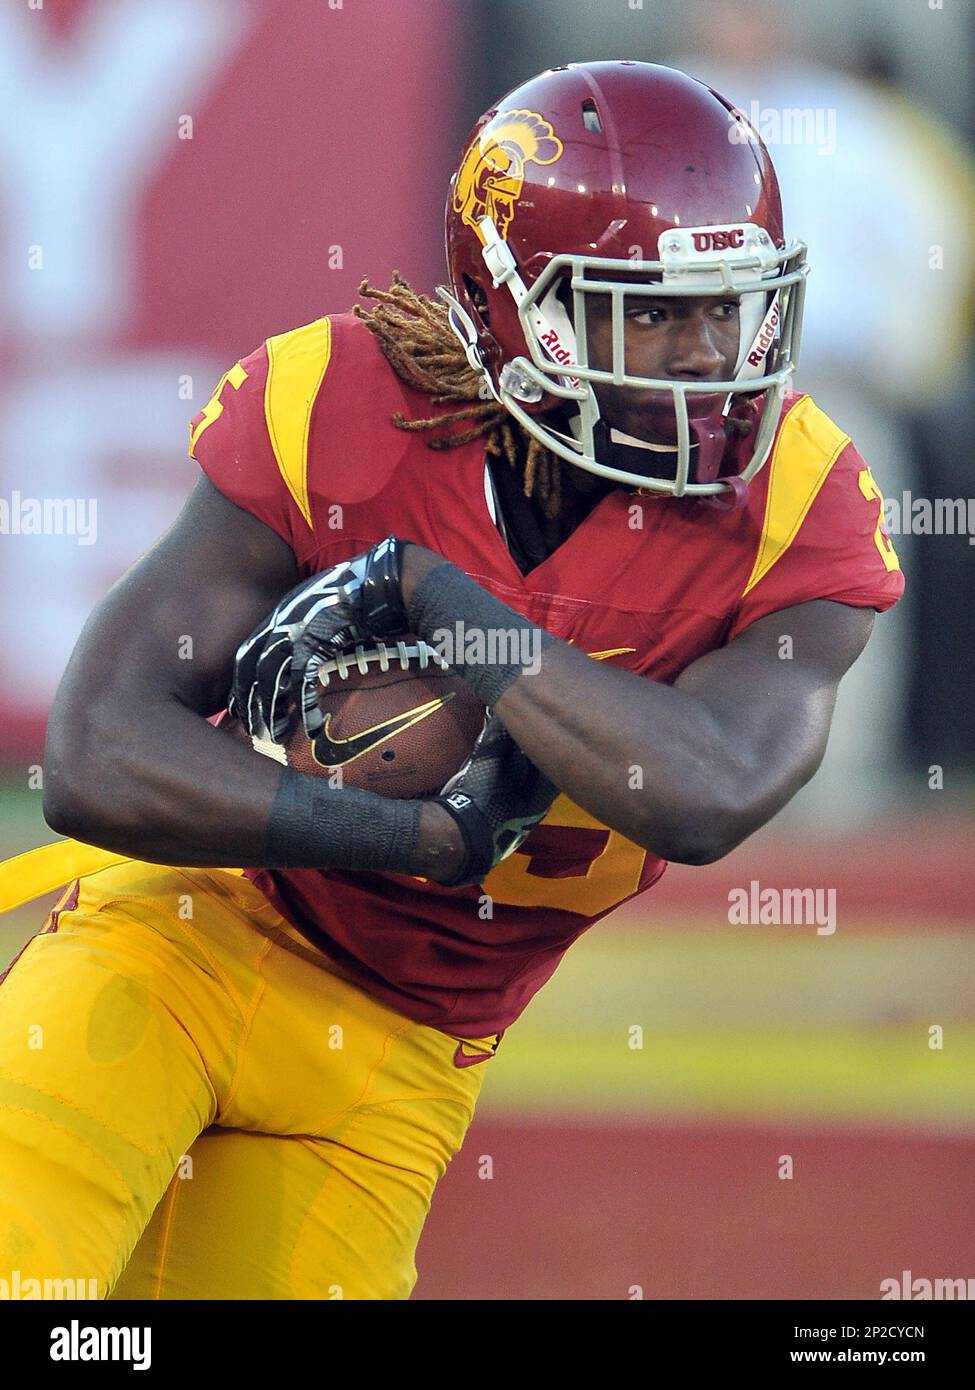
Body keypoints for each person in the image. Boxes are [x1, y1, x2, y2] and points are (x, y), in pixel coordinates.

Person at [0, 61, 903, 1301]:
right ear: (518, 310)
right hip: (182, 941)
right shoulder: (348, 401)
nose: (711, 358)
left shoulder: (799, 501)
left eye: (728, 308)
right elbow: (94, 752)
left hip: (402, 1051)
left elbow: (709, 790)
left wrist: (451, 608)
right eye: (653, 313)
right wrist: (405, 836)